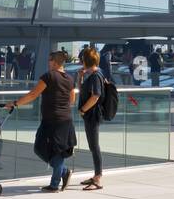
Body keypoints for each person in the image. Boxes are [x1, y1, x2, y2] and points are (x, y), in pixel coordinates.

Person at [6, 50, 77, 191]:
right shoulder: (69, 79)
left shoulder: (49, 76)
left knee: (41, 147)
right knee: (55, 149)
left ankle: (55, 183)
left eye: (49, 60)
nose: (48, 62)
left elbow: (33, 94)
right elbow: (72, 100)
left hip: (52, 120)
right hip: (65, 119)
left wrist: (15, 103)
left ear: (54, 62)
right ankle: (63, 172)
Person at [77, 47, 106, 190]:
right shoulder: (93, 74)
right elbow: (82, 90)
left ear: (85, 60)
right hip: (89, 115)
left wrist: (83, 109)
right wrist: (80, 77)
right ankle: (96, 175)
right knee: (93, 145)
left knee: (94, 146)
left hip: (92, 115)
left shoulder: (95, 76)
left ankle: (98, 177)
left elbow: (95, 96)